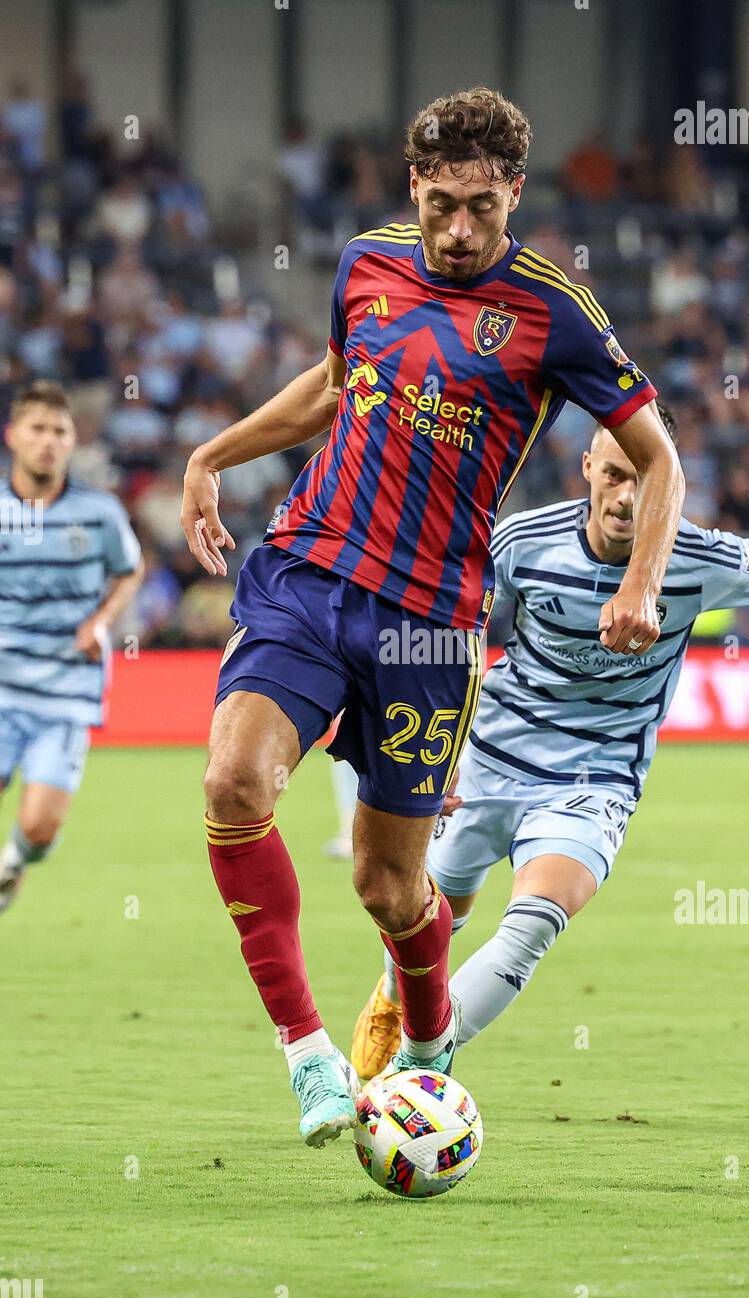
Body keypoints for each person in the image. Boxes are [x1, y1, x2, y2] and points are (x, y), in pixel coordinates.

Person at [180, 87, 684, 1149]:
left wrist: (639, 581)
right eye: (440, 206)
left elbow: (658, 458)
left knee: (389, 884)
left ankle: (423, 1042)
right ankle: (308, 1053)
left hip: (428, 623)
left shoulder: (554, 311)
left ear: (514, 197)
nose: (458, 232)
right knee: (232, 781)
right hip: (308, 570)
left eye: (481, 211)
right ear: (413, 187)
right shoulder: (365, 264)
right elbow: (330, 388)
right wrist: (212, 454)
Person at [351, 403, 749, 1074]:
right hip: (486, 762)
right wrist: (439, 740)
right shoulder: (523, 539)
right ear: (587, 467)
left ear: (670, 484)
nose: (627, 498)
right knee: (427, 916)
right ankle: (395, 991)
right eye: (614, 475)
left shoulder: (698, 557)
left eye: (645, 481)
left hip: (593, 782)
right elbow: (456, 624)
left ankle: (418, 1072)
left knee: (532, 924)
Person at [0, 381, 143, 912]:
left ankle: (14, 863)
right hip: (2, 683)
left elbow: (131, 571)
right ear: (13, 436)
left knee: (39, 828)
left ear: (71, 442)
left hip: (66, 691)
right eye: (37, 429)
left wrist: (103, 620)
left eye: (59, 432)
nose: (48, 442)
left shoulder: (99, 512)